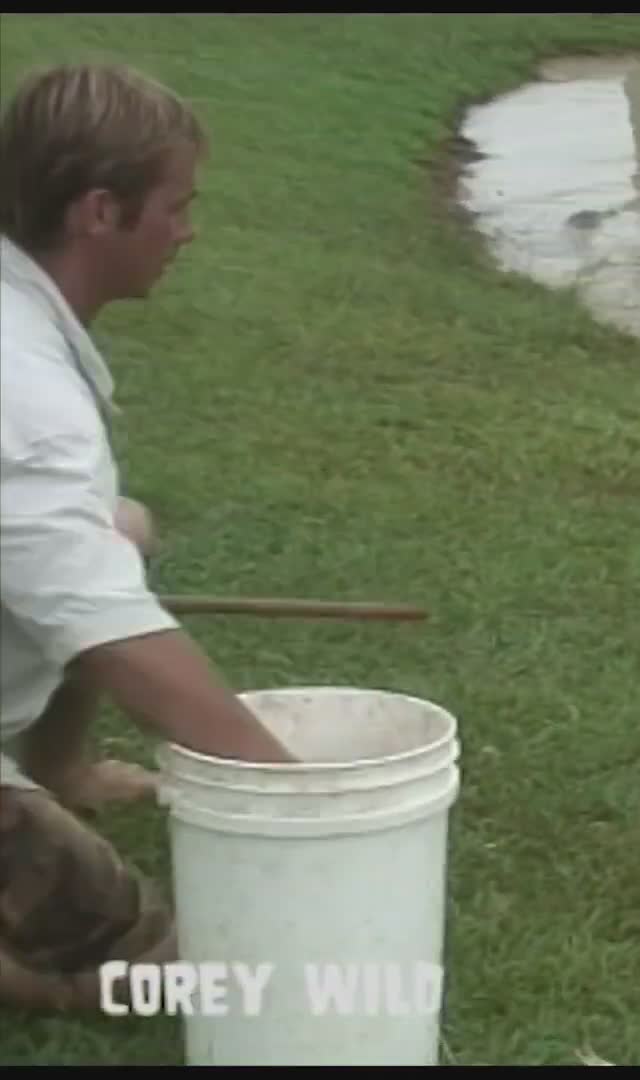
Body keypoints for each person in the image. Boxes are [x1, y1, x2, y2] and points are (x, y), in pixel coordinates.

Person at [1, 61, 298, 1014]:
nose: (188, 232)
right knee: (160, 977)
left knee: (114, 531)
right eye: (175, 207)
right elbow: (115, 635)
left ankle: (58, 768)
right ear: (99, 211)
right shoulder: (31, 401)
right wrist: (292, 794)